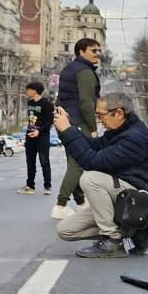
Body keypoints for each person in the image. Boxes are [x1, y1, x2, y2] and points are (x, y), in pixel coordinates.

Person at [52, 92, 148, 258]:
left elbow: (92, 161)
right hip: (128, 197)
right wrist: (68, 128)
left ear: (119, 113)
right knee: (65, 231)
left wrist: (67, 131)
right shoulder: (121, 130)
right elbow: (93, 145)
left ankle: (112, 241)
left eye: (101, 115)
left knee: (91, 179)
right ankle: (136, 230)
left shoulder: (134, 138)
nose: (99, 120)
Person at [53, 37, 102, 220]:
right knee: (78, 164)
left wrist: (58, 119)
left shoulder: (68, 69)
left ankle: (81, 202)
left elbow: (60, 99)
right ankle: (61, 204)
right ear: (81, 52)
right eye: (93, 50)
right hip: (77, 122)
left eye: (99, 50)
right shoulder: (85, 73)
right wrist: (93, 127)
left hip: (64, 121)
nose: (98, 54)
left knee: (73, 163)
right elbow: (86, 104)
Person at [20, 80, 54, 196]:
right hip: (30, 135)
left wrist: (39, 130)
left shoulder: (47, 104)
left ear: (34, 91)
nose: (27, 92)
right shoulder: (30, 103)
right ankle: (30, 186)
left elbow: (50, 121)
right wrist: (29, 131)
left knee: (44, 161)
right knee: (30, 162)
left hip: (42, 136)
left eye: (28, 90)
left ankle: (47, 186)